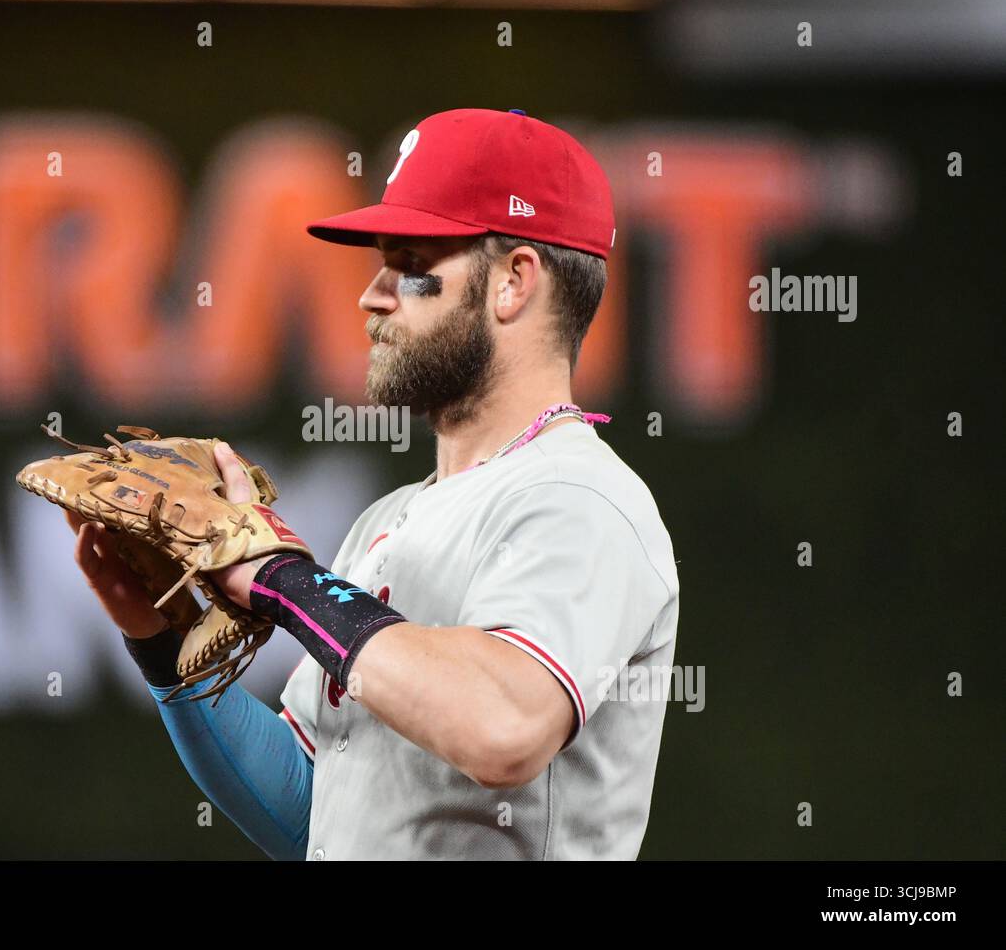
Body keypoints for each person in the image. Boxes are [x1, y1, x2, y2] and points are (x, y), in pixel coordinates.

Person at [68, 108, 679, 860]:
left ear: (515, 282)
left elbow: (506, 729)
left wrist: (285, 584)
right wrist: (161, 642)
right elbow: (307, 811)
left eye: (414, 264)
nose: (373, 294)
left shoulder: (580, 501)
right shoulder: (388, 522)